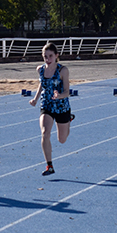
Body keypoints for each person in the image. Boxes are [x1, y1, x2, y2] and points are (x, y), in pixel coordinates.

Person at [29, 42, 74, 176]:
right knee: (45, 133)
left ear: (56, 56)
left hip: (61, 106)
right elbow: (42, 84)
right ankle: (49, 165)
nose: (47, 59)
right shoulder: (40, 69)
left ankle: (68, 119)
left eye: (50, 56)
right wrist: (35, 99)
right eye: (45, 56)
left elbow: (67, 91)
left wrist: (59, 95)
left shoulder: (63, 70)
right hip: (46, 105)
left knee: (62, 140)